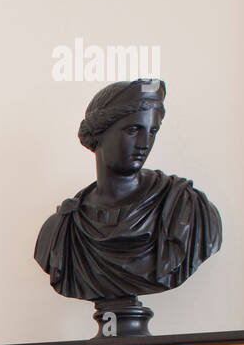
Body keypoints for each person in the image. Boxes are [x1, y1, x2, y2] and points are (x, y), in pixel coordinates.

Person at [34, 79, 221, 317]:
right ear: (99, 132)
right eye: (133, 130)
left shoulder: (189, 211)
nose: (145, 144)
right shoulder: (62, 230)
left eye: (152, 131)